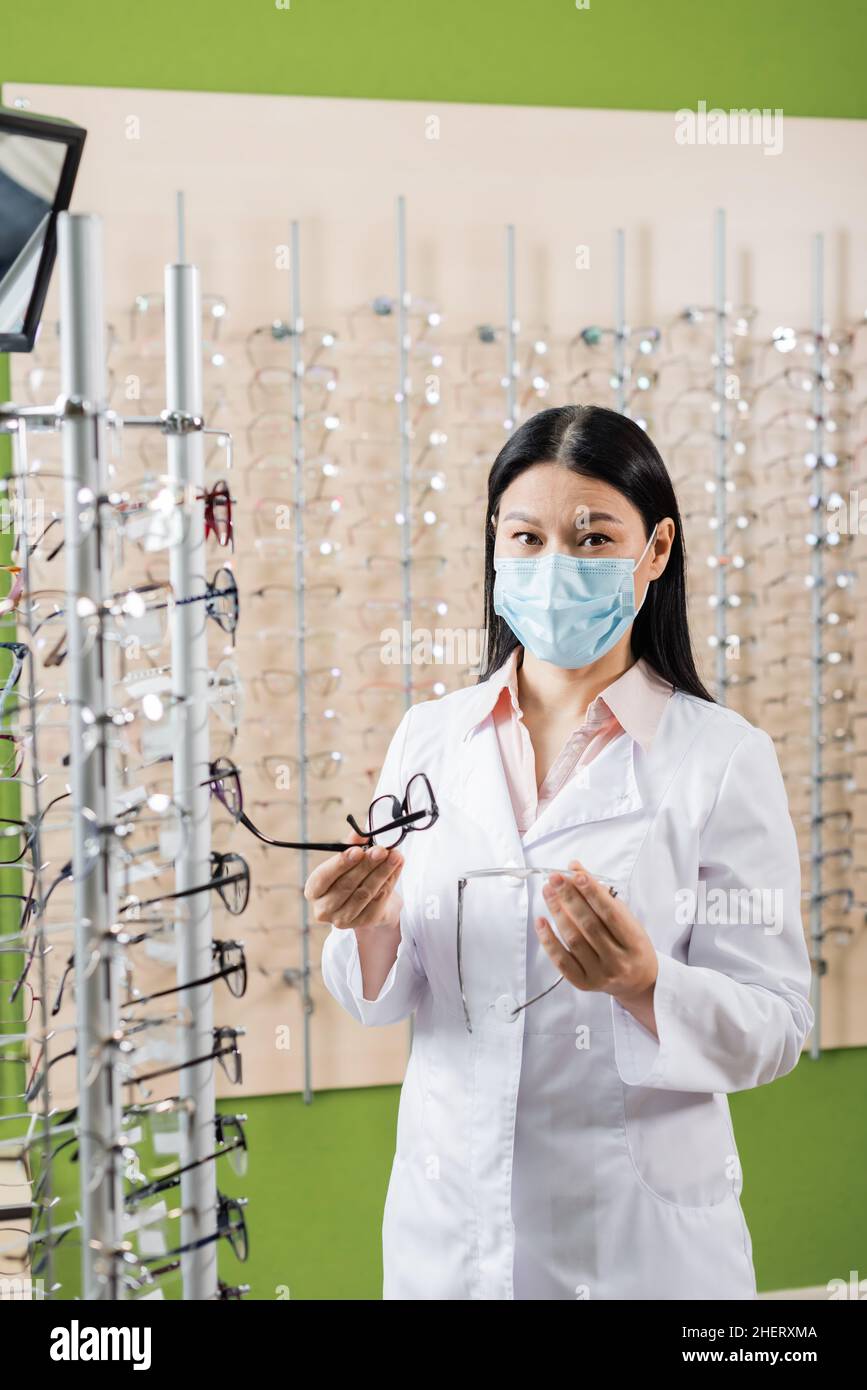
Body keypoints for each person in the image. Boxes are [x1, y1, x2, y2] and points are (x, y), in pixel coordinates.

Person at [311, 403, 813, 1301]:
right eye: (526, 538)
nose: (554, 567)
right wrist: (375, 925)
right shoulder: (428, 739)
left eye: (591, 539)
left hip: (637, 1246)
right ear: (495, 547)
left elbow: (774, 1026)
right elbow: (376, 1001)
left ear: (654, 551)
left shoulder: (723, 758)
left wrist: (643, 982)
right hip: (447, 1232)